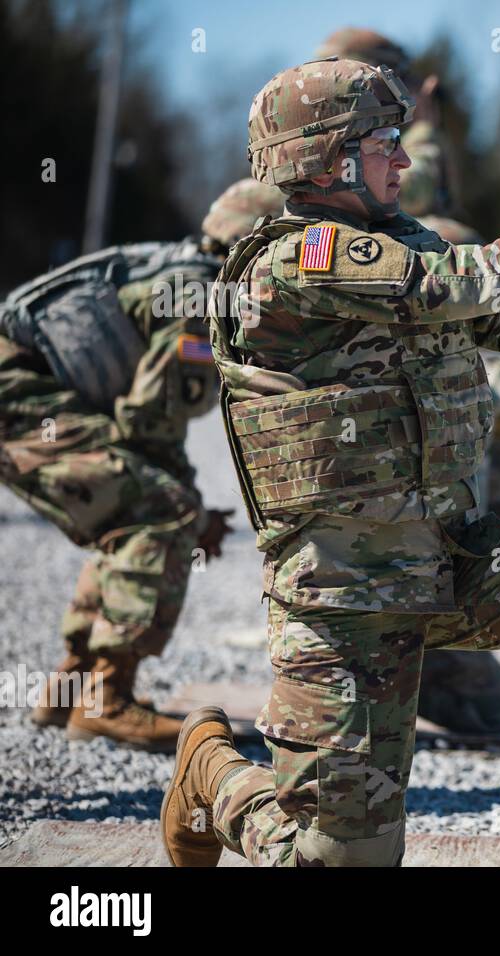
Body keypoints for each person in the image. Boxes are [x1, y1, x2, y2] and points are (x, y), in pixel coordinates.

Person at [160, 56, 500, 867]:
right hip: (344, 601)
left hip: (455, 563)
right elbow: (454, 281)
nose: (403, 158)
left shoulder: (406, 246)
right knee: (337, 863)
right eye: (383, 142)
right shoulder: (298, 259)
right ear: (326, 159)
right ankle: (214, 776)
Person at [0, 179, 282, 748]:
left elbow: (148, 435)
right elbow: (147, 426)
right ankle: (108, 699)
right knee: (160, 513)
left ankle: (70, 689)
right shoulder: (203, 298)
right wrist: (193, 512)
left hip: (23, 392)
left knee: (132, 512)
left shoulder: (182, 272)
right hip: (20, 400)